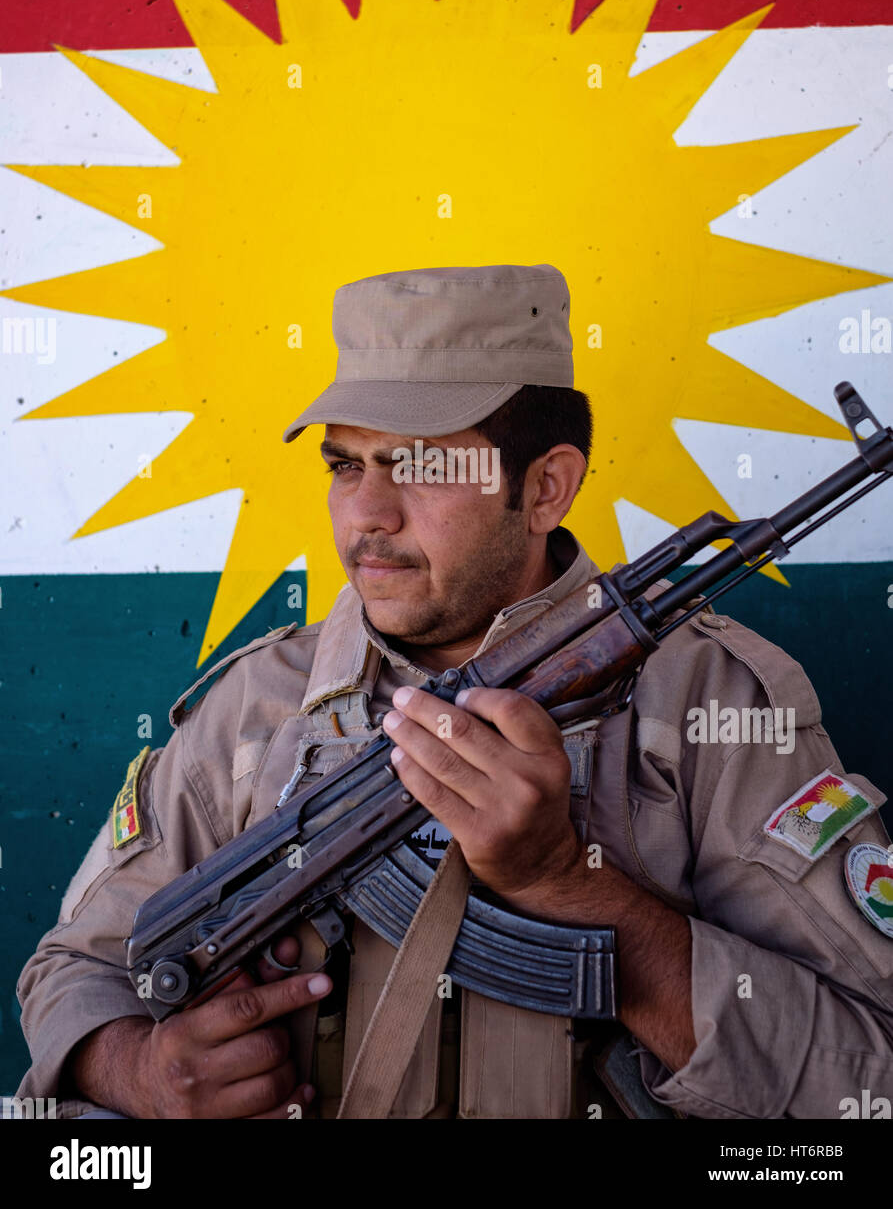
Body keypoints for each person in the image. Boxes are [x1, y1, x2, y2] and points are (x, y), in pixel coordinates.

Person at [14, 263, 893, 1120]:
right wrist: (139, 1071)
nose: (368, 513)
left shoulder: (710, 706)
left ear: (545, 487)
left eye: (420, 466)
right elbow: (74, 970)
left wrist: (564, 885)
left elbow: (870, 1073)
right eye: (345, 465)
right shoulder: (258, 706)